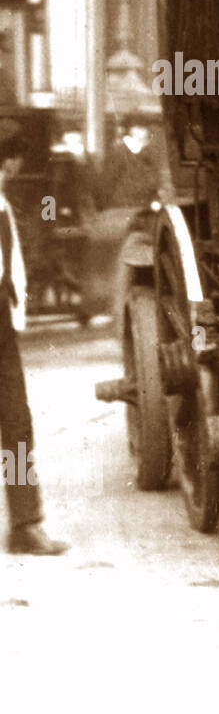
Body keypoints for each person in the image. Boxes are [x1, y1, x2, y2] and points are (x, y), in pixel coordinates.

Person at [0, 120, 68, 556]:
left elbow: (12, 268)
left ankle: (25, 525)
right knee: (15, 422)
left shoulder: (2, 203)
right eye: (9, 167)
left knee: (16, 423)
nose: (9, 174)